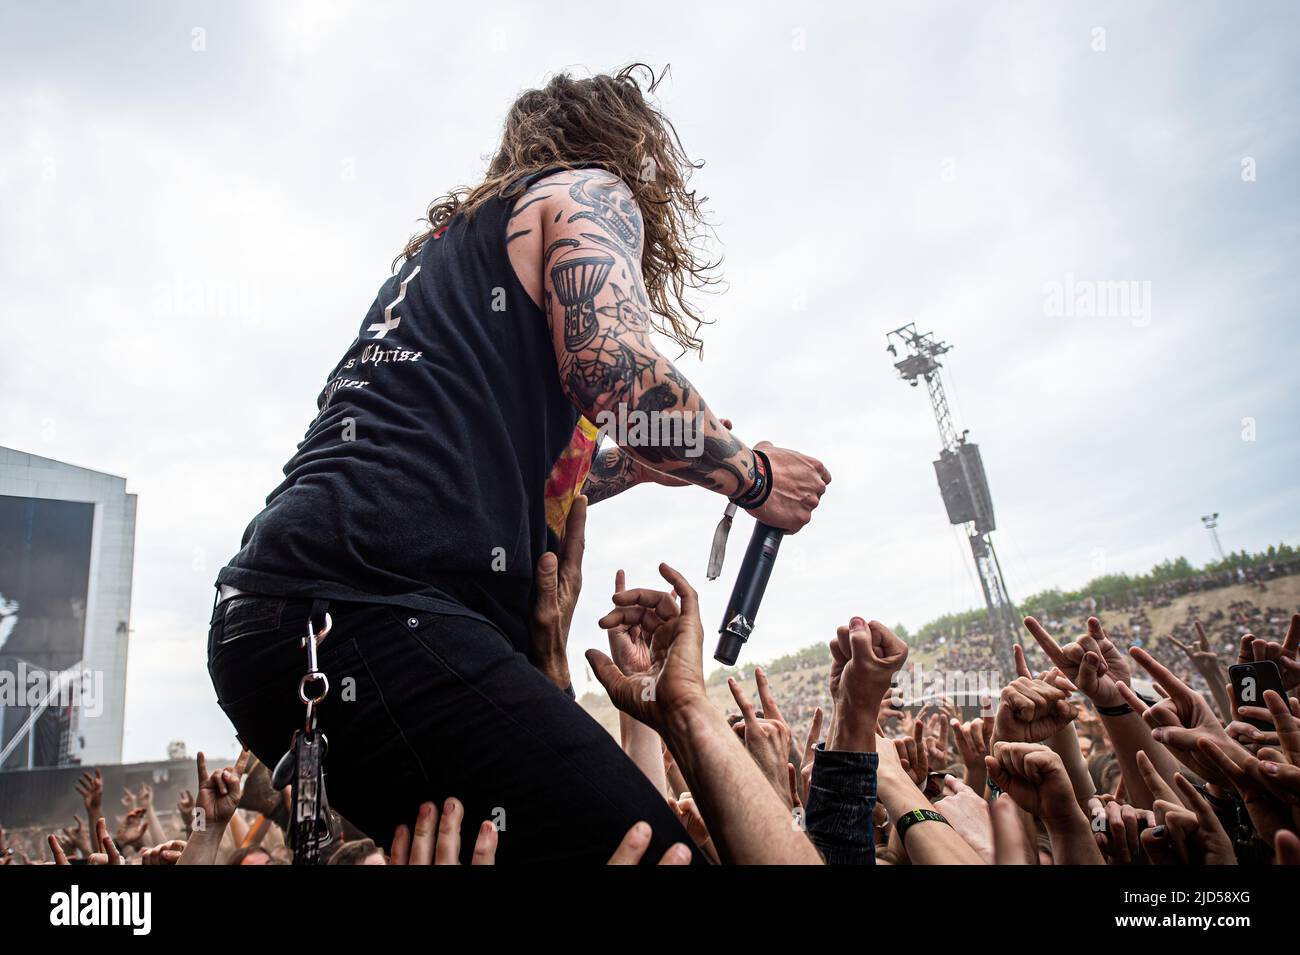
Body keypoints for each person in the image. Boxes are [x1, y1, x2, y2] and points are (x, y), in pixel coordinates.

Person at [206, 65, 829, 863]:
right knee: (655, 855)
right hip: (369, 606)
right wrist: (756, 477)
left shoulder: (450, 258)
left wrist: (633, 468)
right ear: (628, 148)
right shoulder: (581, 191)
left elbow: (526, 468)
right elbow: (615, 373)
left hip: (269, 619)